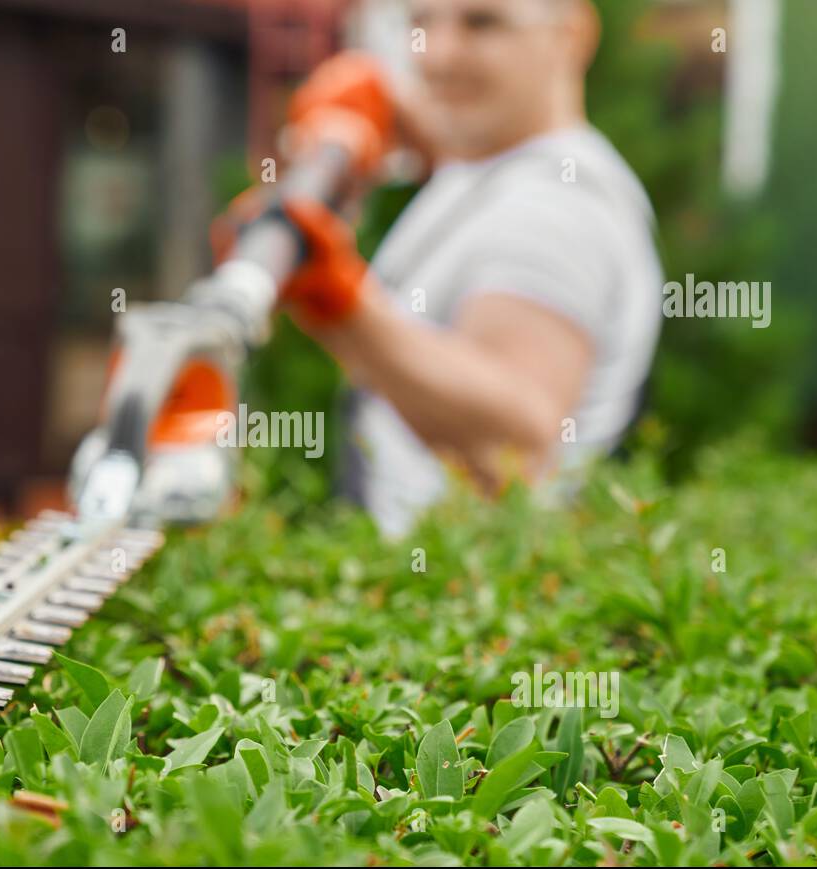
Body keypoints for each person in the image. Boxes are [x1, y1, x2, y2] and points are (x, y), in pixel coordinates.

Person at [263, 0, 663, 536]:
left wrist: (340, 305)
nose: (438, 55)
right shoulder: (502, 163)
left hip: (455, 587)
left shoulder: (556, 208)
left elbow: (515, 448)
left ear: (571, 36)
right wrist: (384, 108)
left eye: (483, 22)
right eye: (421, 22)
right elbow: (452, 144)